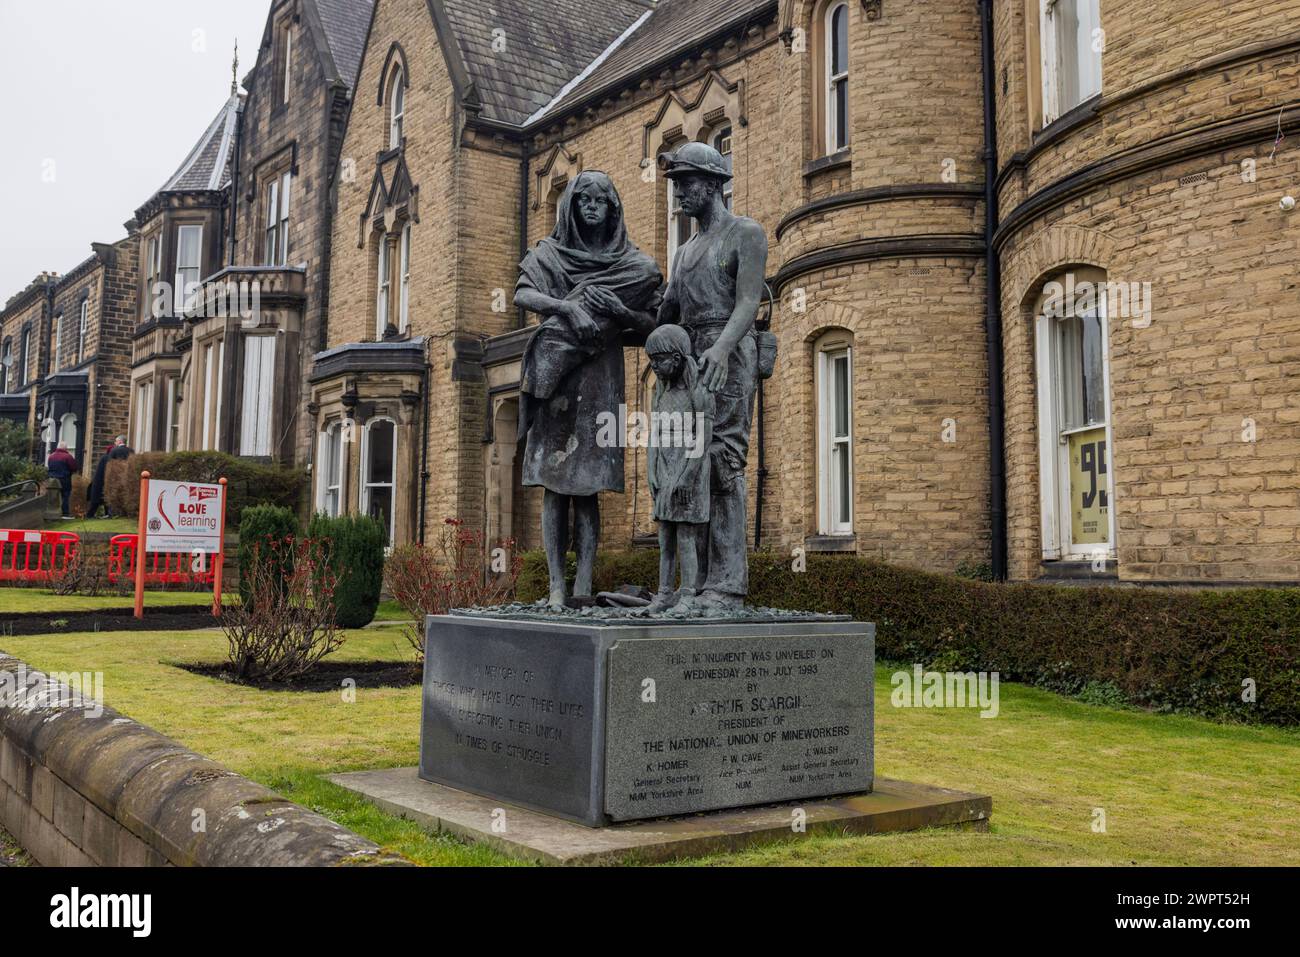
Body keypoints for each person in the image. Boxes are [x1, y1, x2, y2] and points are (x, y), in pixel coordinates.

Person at [515, 170, 663, 610]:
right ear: (571, 208)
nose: (593, 207)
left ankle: (582, 586)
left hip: (601, 375)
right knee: (554, 484)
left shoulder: (633, 265)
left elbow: (652, 323)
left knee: (589, 485)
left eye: (601, 201)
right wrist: (567, 307)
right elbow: (523, 293)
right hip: (558, 376)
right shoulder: (549, 254)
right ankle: (557, 587)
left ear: (613, 209)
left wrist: (619, 311)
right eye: (584, 201)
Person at [657, 142, 769, 612]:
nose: (680, 192)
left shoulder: (746, 233)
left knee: (724, 462)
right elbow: (667, 311)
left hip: (730, 354)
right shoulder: (683, 254)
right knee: (690, 468)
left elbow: (748, 302)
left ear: (714, 184)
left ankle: (726, 587)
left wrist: (722, 349)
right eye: (676, 184)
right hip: (689, 359)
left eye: (687, 183)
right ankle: (691, 588)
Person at [645, 325, 713, 614]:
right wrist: (651, 471)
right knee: (665, 539)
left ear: (676, 358)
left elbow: (703, 438)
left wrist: (686, 477)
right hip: (664, 472)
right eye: (651, 360)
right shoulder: (659, 395)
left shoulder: (699, 392)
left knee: (686, 537)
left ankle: (687, 595)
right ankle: (663, 593)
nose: (654, 367)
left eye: (659, 360)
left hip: (689, 474)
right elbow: (654, 437)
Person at [85, 435, 133, 519]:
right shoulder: (131, 451)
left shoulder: (114, 451)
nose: (115, 443)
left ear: (120, 441)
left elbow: (109, 464)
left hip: (114, 478)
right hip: (127, 477)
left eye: (116, 441)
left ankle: (111, 514)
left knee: (112, 495)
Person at [45, 443, 79, 519]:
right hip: (64, 479)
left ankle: (51, 514)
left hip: (52, 480)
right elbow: (74, 467)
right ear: (65, 448)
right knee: (66, 496)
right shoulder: (67, 457)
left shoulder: (51, 456)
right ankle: (65, 514)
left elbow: (49, 467)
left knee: (53, 496)